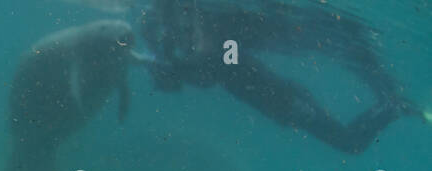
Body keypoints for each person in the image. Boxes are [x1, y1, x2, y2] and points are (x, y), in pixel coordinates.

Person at [137, 0, 426, 153]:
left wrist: (166, 63)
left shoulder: (216, 54)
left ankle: (393, 107)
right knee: (347, 142)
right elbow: (203, 72)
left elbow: (205, 72)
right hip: (280, 102)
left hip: (284, 102)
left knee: (349, 142)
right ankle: (393, 106)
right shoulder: (218, 55)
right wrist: (164, 60)